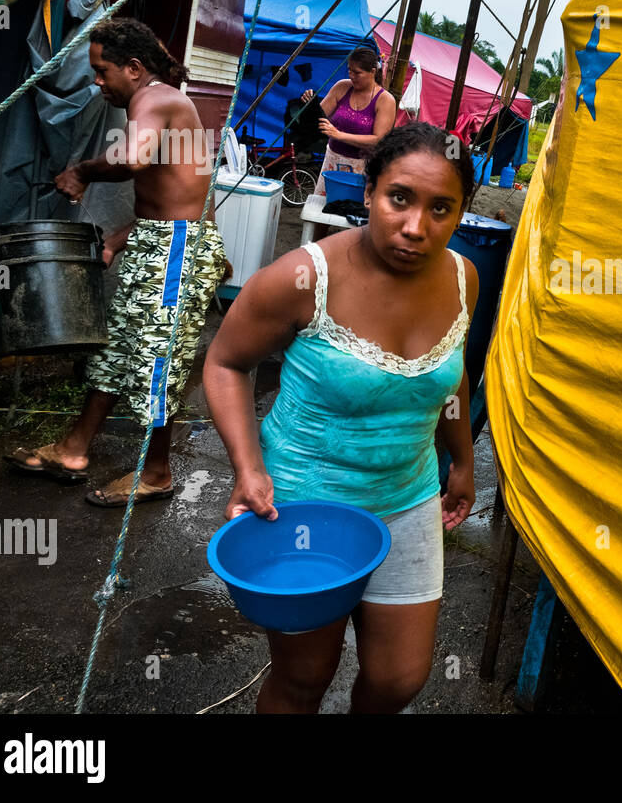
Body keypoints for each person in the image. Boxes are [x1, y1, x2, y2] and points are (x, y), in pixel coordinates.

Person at [203, 122, 478, 713]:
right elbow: (226, 363)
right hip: (304, 502)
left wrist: (462, 461)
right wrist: (248, 470)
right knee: (305, 677)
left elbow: (451, 383)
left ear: (461, 214)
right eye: (398, 198)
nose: (415, 227)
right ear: (370, 189)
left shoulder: (463, 278)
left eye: (441, 208)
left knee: (397, 679)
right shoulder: (302, 280)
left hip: (408, 498)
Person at [4, 17, 228, 507]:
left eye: (102, 71)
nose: (97, 82)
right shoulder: (168, 102)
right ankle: (73, 448)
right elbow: (185, 200)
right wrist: (124, 238)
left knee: (154, 363)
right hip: (164, 244)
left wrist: (83, 170)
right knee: (114, 356)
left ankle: (158, 471)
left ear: (133, 67)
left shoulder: (155, 99)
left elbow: (134, 159)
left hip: (175, 253)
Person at [302, 46, 396, 198]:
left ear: (373, 72)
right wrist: (309, 105)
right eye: (349, 70)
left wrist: (339, 135)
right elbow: (317, 120)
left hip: (362, 168)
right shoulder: (342, 87)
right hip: (332, 162)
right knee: (322, 210)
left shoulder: (385, 100)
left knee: (352, 217)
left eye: (357, 72)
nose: (351, 75)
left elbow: (378, 141)